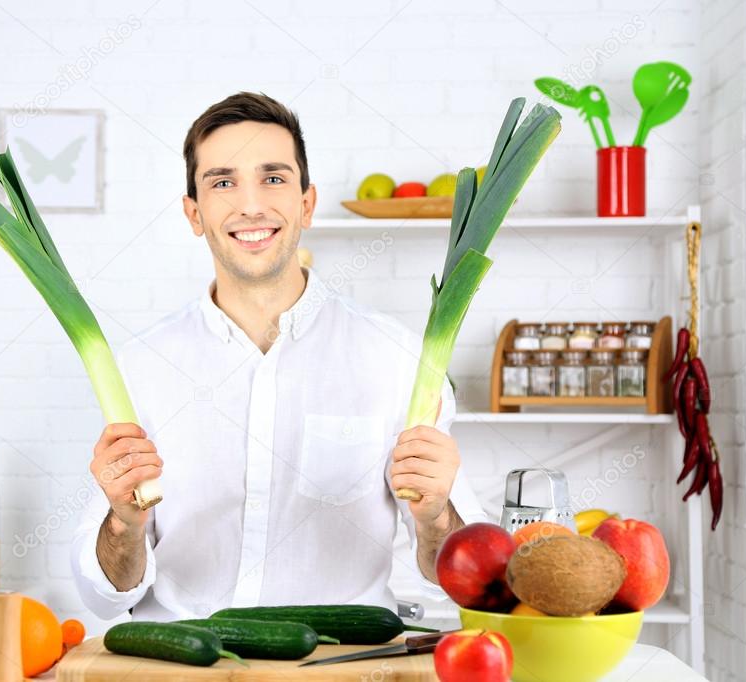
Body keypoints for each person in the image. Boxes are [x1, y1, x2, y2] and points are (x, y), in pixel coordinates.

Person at [71, 92, 487, 622]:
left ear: (306, 204)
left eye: (273, 178)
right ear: (194, 214)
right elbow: (107, 594)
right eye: (223, 182)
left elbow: (464, 577)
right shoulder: (140, 367)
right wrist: (122, 525)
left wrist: (434, 517)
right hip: (180, 669)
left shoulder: (399, 358)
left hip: (342, 671)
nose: (250, 205)